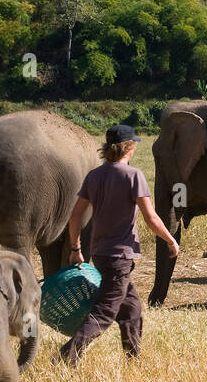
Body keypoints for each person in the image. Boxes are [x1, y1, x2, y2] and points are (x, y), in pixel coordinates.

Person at [57, 124, 178, 363]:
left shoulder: (94, 176)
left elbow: (75, 217)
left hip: (101, 255)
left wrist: (76, 248)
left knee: (131, 308)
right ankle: (65, 357)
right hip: (119, 257)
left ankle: (133, 358)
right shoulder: (133, 176)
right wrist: (170, 240)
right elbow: (151, 218)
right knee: (104, 312)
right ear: (129, 147)